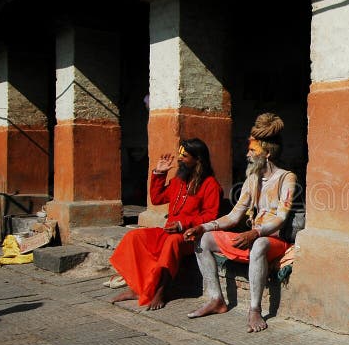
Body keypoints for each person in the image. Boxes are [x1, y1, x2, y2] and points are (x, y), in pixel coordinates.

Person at [184, 113, 297, 332]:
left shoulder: (286, 178)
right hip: (252, 238)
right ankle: (216, 299)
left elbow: (281, 218)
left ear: (267, 154)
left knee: (260, 244)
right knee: (203, 239)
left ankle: (254, 309)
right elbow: (234, 216)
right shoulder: (252, 179)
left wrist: (255, 233)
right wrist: (203, 227)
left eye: (252, 150)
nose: (247, 154)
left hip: (273, 241)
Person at [110, 138, 222, 310]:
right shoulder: (178, 180)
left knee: (172, 243)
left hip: (190, 235)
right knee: (134, 237)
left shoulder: (210, 184)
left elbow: (211, 216)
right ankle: (137, 288)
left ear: (198, 159)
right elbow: (157, 199)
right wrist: (159, 173)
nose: (179, 158)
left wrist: (182, 224)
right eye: (180, 154)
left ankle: (161, 291)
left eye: (184, 155)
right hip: (168, 231)